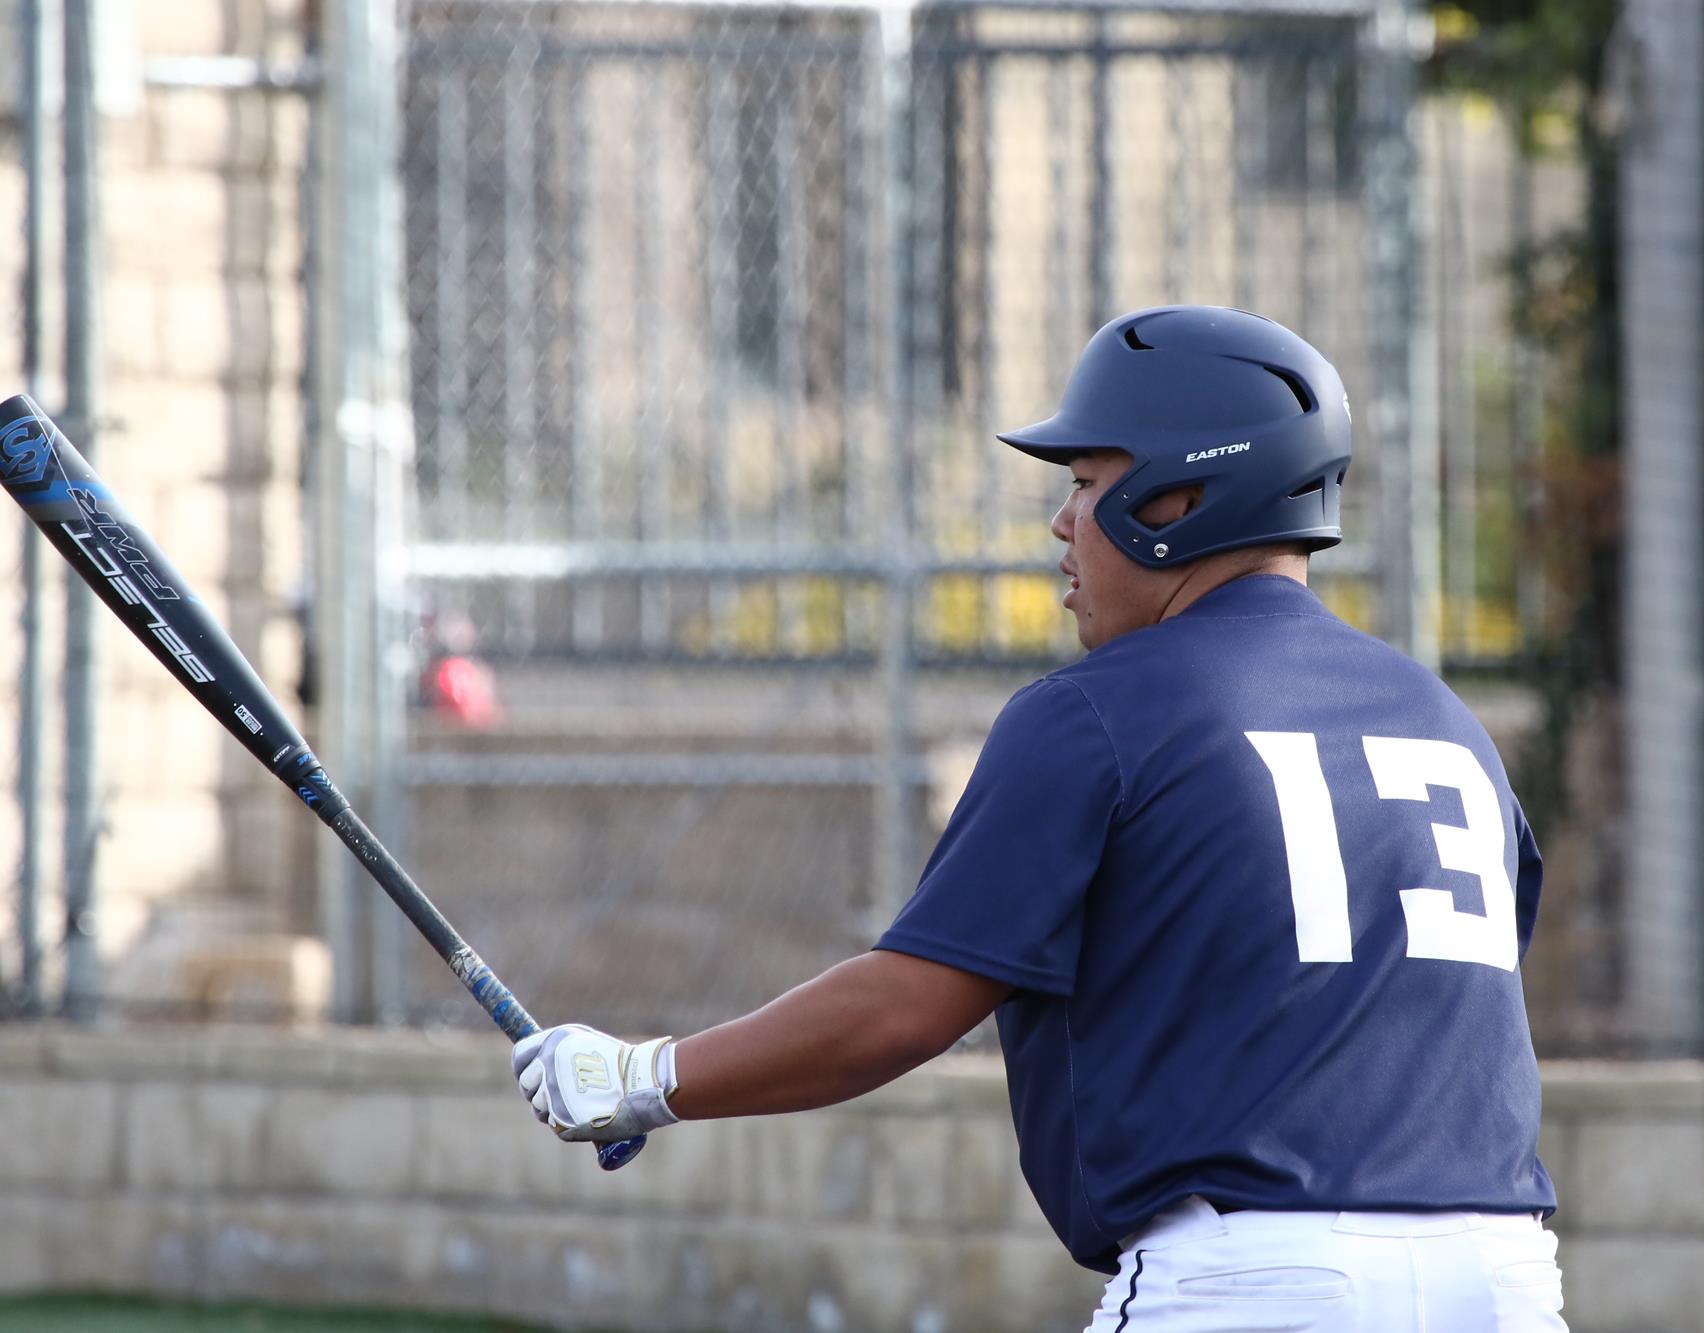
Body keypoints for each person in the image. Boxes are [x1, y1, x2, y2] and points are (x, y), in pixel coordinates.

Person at [512, 305, 1565, 1331]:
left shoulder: (1097, 709)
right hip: (1507, 1278)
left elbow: (906, 1004)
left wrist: (640, 1078)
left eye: (1088, 482)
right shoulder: (1448, 720)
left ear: (1178, 498)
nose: (1062, 523)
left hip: (1253, 1277)